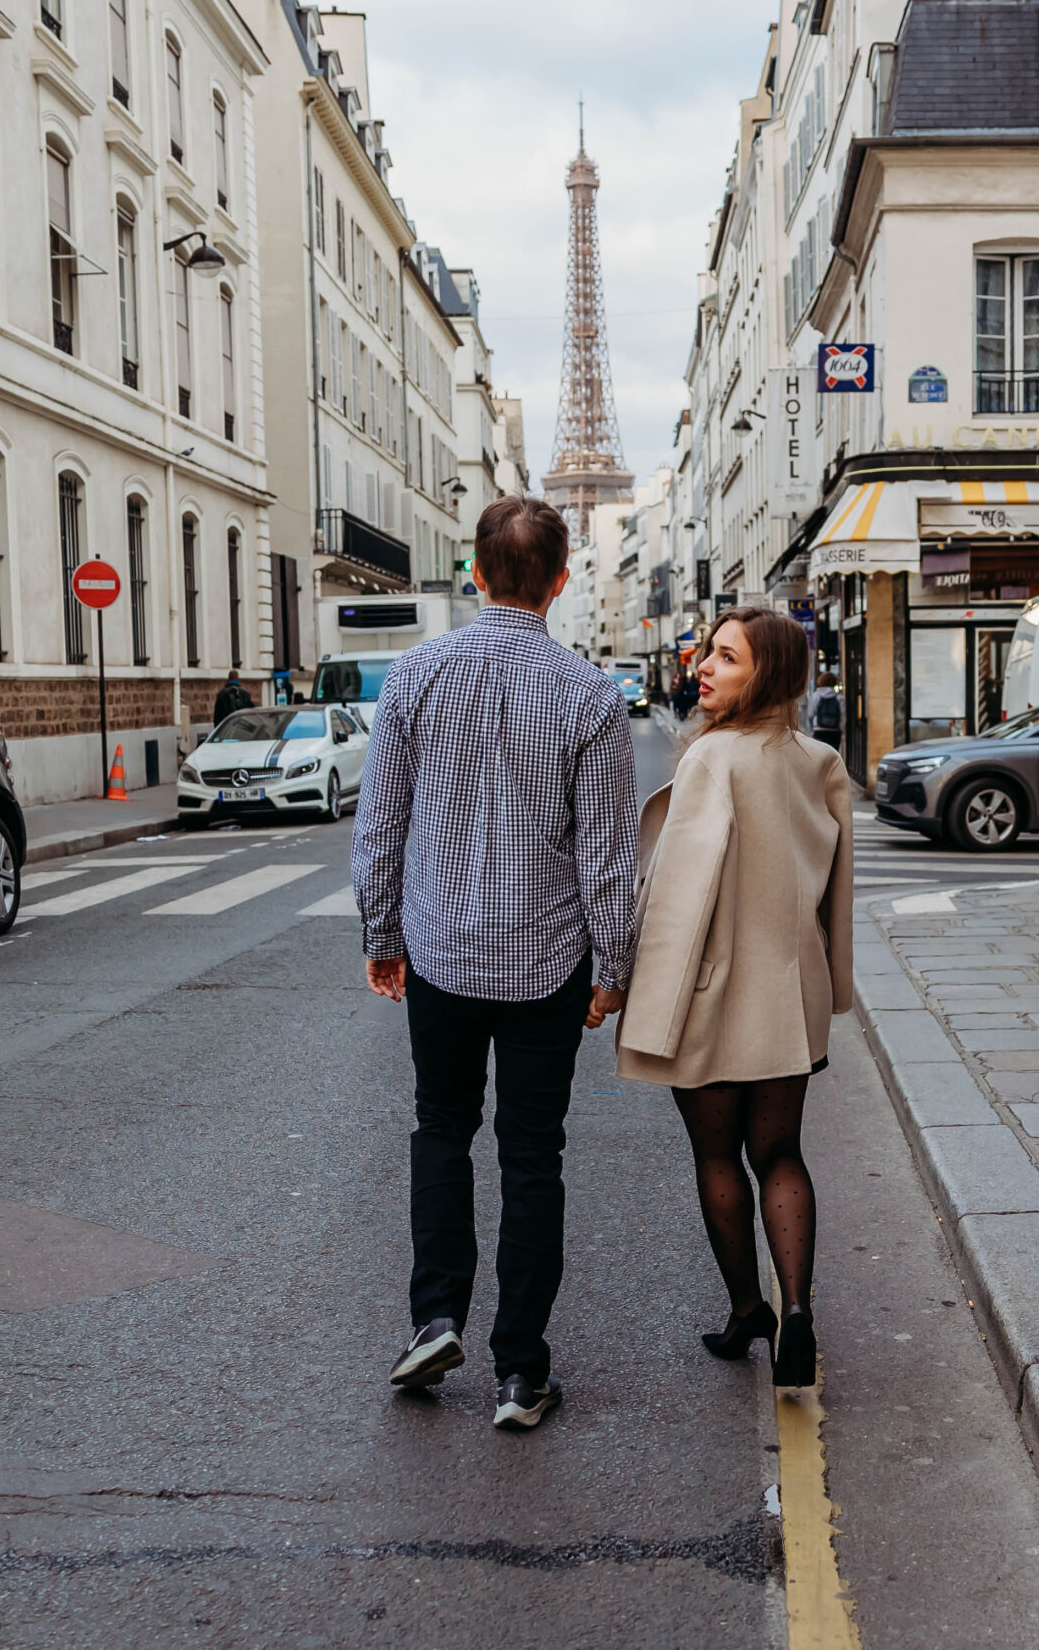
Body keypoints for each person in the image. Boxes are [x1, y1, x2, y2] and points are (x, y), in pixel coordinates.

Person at [352, 496, 638, 1432]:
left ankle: (434, 1317)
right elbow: (605, 854)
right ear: (562, 582)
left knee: (440, 1129)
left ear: (474, 573)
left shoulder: (416, 675)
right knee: (532, 1157)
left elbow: (380, 826)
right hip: (546, 962)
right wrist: (614, 966)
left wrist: (382, 936)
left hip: (439, 950)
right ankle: (521, 1369)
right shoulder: (593, 695)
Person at [615, 609, 853, 1386]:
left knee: (718, 1155)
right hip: (793, 992)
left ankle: (747, 1307)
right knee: (781, 1153)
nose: (704, 667)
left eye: (727, 657)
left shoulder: (713, 757)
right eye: (708, 653)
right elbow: (837, 897)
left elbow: (677, 899)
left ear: (768, 675)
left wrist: (632, 996)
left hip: (714, 993)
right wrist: (832, 981)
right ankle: (800, 1312)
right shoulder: (820, 760)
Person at [806, 676, 843, 751]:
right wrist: (843, 731)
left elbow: (810, 715)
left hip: (819, 730)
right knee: (833, 756)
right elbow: (843, 716)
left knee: (819, 755)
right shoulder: (839, 698)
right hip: (834, 732)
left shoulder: (816, 696)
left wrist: (811, 729)